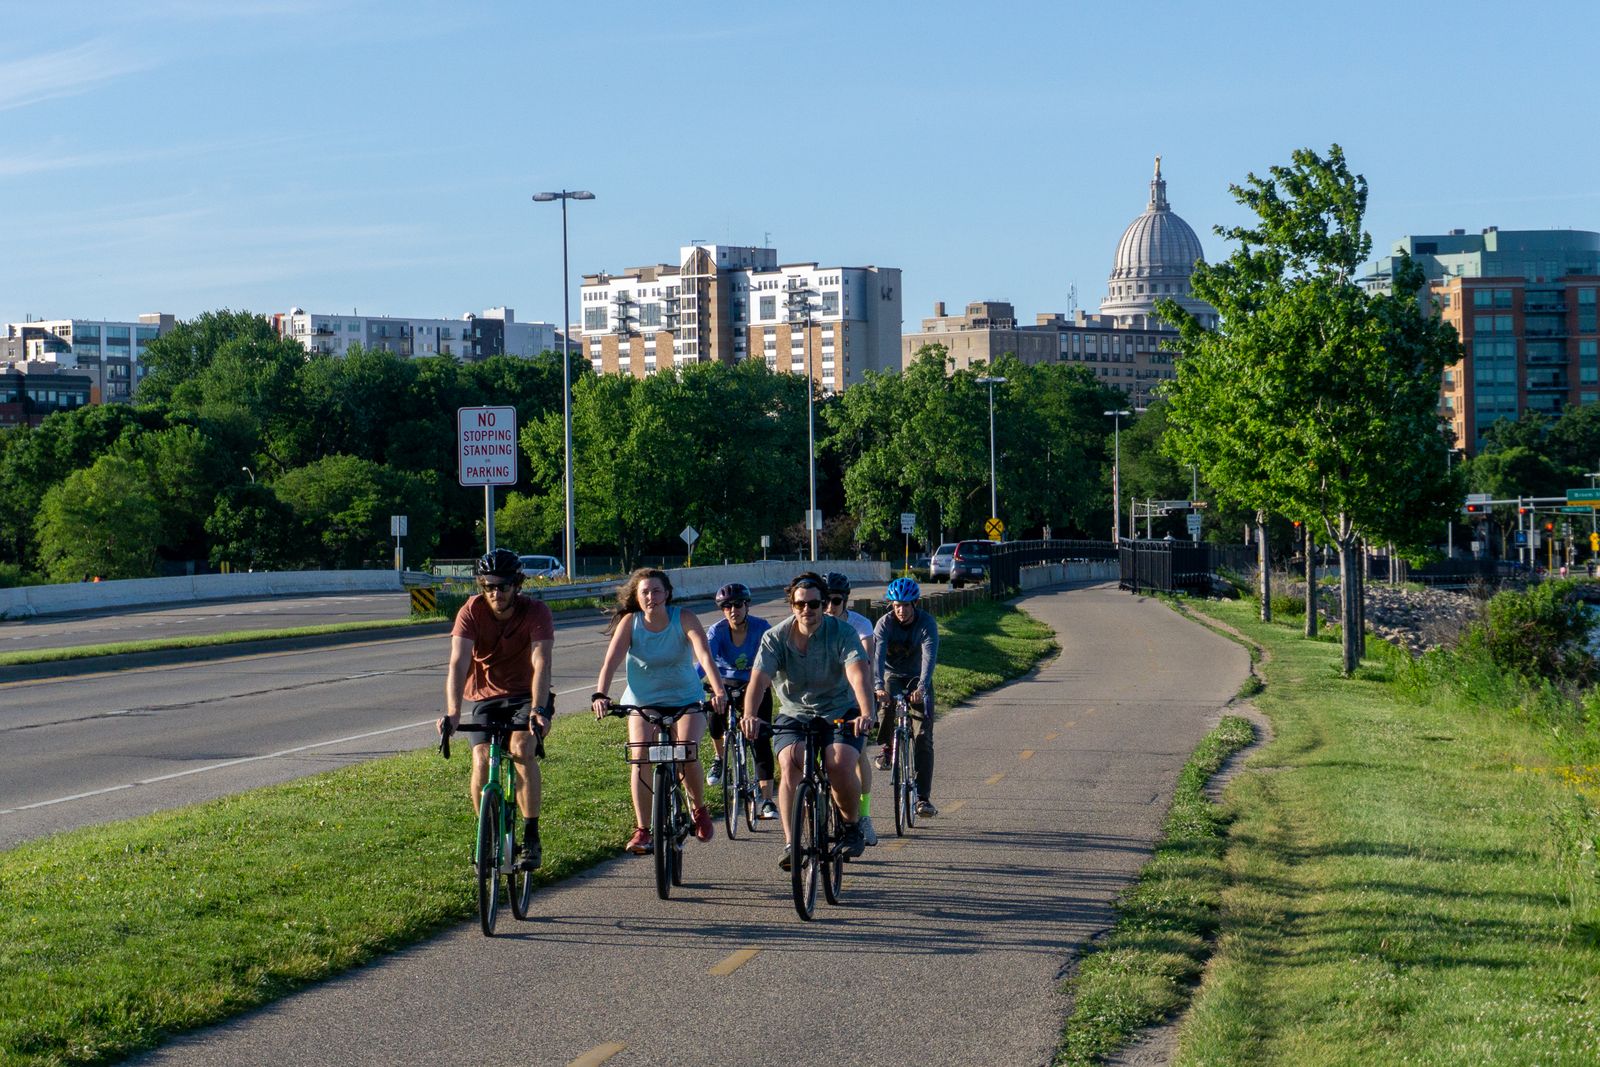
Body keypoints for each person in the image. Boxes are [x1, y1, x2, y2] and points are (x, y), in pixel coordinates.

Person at [743, 571, 877, 871]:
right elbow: (759, 681)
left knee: (840, 762)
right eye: (801, 604)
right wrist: (750, 715)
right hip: (794, 713)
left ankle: (851, 825)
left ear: (824, 604)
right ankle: (792, 843)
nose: (808, 610)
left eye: (815, 604)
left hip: (841, 710)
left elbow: (858, 674)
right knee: (791, 763)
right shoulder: (774, 637)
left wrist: (867, 712)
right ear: (792, 605)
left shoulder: (842, 633)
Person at [591, 568, 728, 855]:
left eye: (656, 591)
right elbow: (610, 662)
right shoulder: (631, 623)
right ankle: (643, 829)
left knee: (686, 751)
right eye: (645, 592)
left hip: (685, 698)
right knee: (639, 756)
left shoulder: (684, 618)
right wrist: (601, 694)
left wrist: (718, 691)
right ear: (637, 597)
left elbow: (704, 654)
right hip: (644, 700)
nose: (651, 597)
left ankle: (699, 809)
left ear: (667, 594)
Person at [439, 549, 555, 870]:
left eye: (503, 586)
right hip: (485, 698)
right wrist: (452, 712)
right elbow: (458, 663)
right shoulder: (471, 611)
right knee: (480, 758)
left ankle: (531, 836)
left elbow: (541, 661)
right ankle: (486, 834)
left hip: (527, 696)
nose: (495, 593)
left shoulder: (536, 612)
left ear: (517, 585)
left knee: (520, 749)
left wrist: (539, 710)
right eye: (489, 586)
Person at [702, 581, 779, 820]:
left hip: (755, 684)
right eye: (726, 607)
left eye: (737, 605)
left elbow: (771, 660)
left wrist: (766, 682)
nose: (732, 610)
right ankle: (720, 757)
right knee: (714, 715)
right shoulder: (716, 631)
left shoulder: (761, 628)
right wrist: (691, 683)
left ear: (747, 605)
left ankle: (767, 800)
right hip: (725, 683)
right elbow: (705, 661)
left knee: (760, 739)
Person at [873, 576, 940, 817]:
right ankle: (887, 748)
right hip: (892, 676)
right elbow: (878, 657)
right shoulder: (883, 624)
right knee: (886, 704)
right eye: (896, 605)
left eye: (906, 605)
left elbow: (928, 658)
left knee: (923, 736)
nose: (901, 610)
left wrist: (922, 687)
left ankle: (923, 799)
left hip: (917, 678)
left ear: (915, 604)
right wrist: (878, 686)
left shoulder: (926, 623)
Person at [824, 571, 880, 846]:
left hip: (855, 696)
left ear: (845, 601)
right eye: (822, 601)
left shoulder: (860, 625)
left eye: (834, 601)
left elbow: (866, 665)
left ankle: (864, 816)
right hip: (824, 699)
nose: (828, 608)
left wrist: (865, 709)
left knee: (856, 755)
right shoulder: (811, 623)